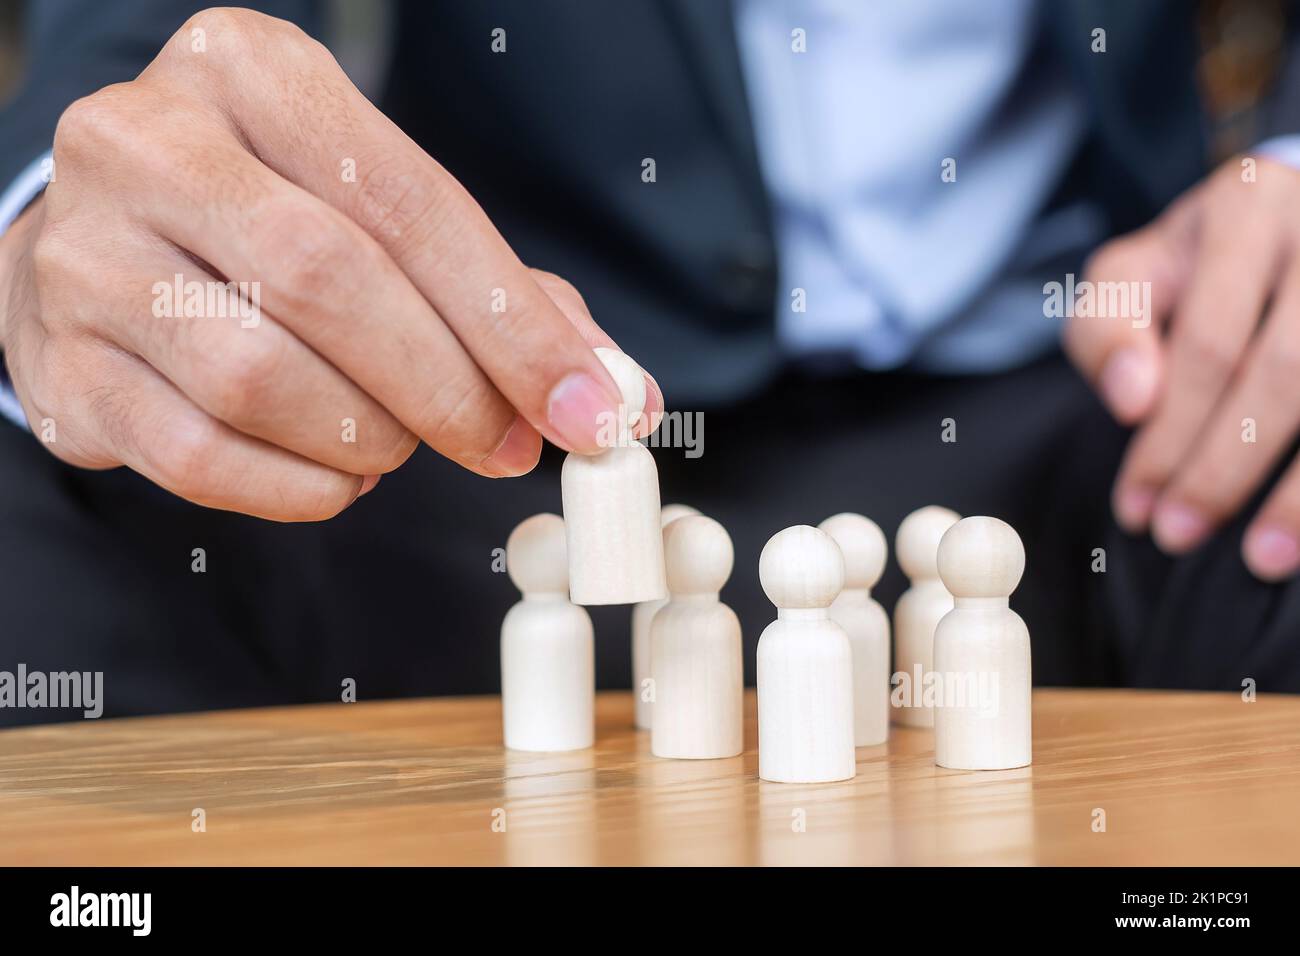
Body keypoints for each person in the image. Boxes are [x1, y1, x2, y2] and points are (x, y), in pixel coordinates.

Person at [2, 1, 1298, 726]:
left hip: (1098, 388)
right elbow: (150, 45)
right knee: (66, 462)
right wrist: (77, 215)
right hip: (484, 437)